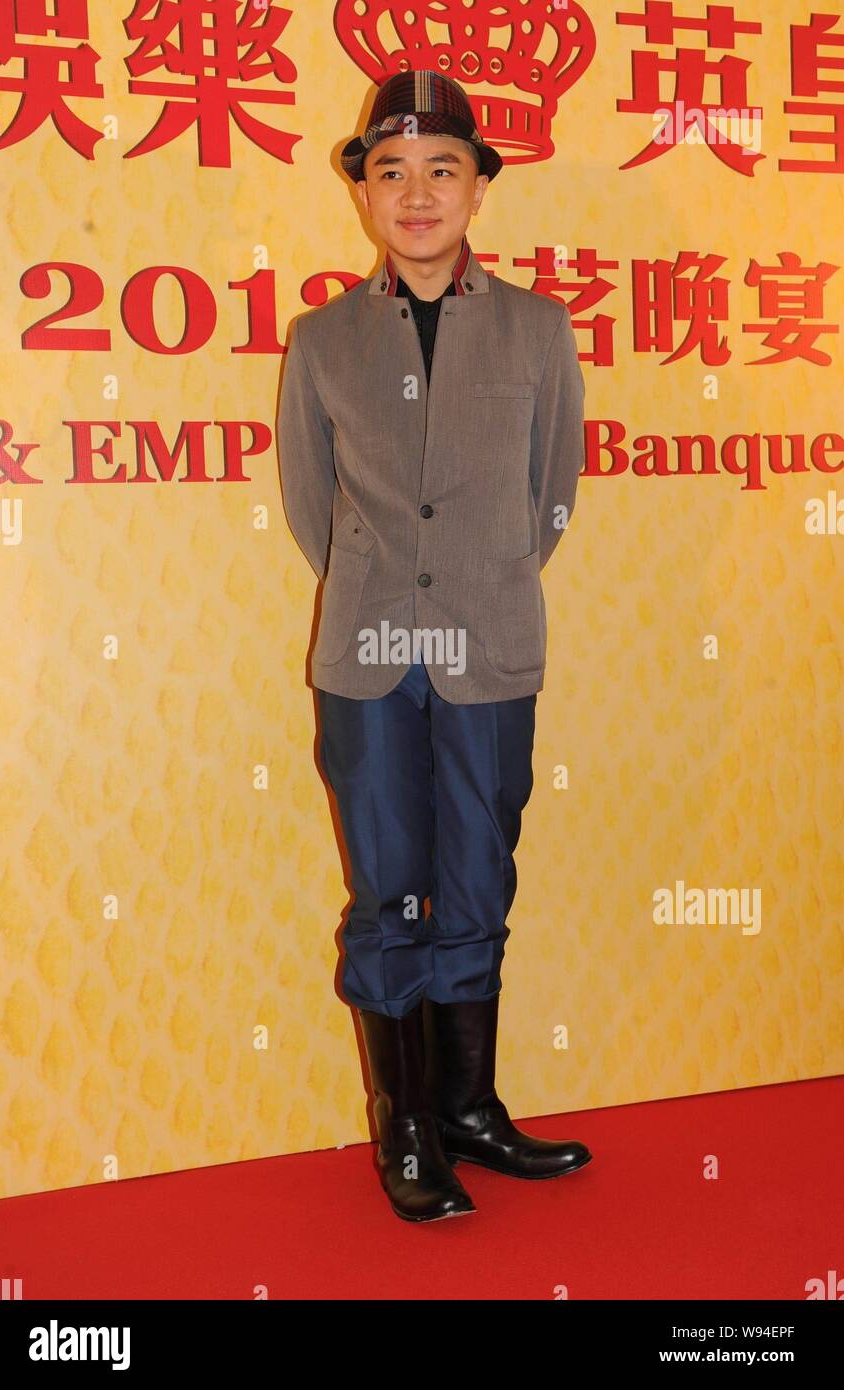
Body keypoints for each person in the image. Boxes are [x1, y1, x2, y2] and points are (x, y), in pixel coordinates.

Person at [277, 69, 592, 1223]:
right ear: (363, 193)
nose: (416, 195)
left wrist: (482, 582)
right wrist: (385, 589)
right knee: (389, 891)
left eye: (441, 171)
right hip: (366, 658)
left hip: (489, 650)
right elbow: (315, 507)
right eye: (391, 173)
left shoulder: (535, 326)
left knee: (477, 876)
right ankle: (404, 1131)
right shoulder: (319, 342)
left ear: (477, 188)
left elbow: (549, 492)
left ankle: (469, 1106)